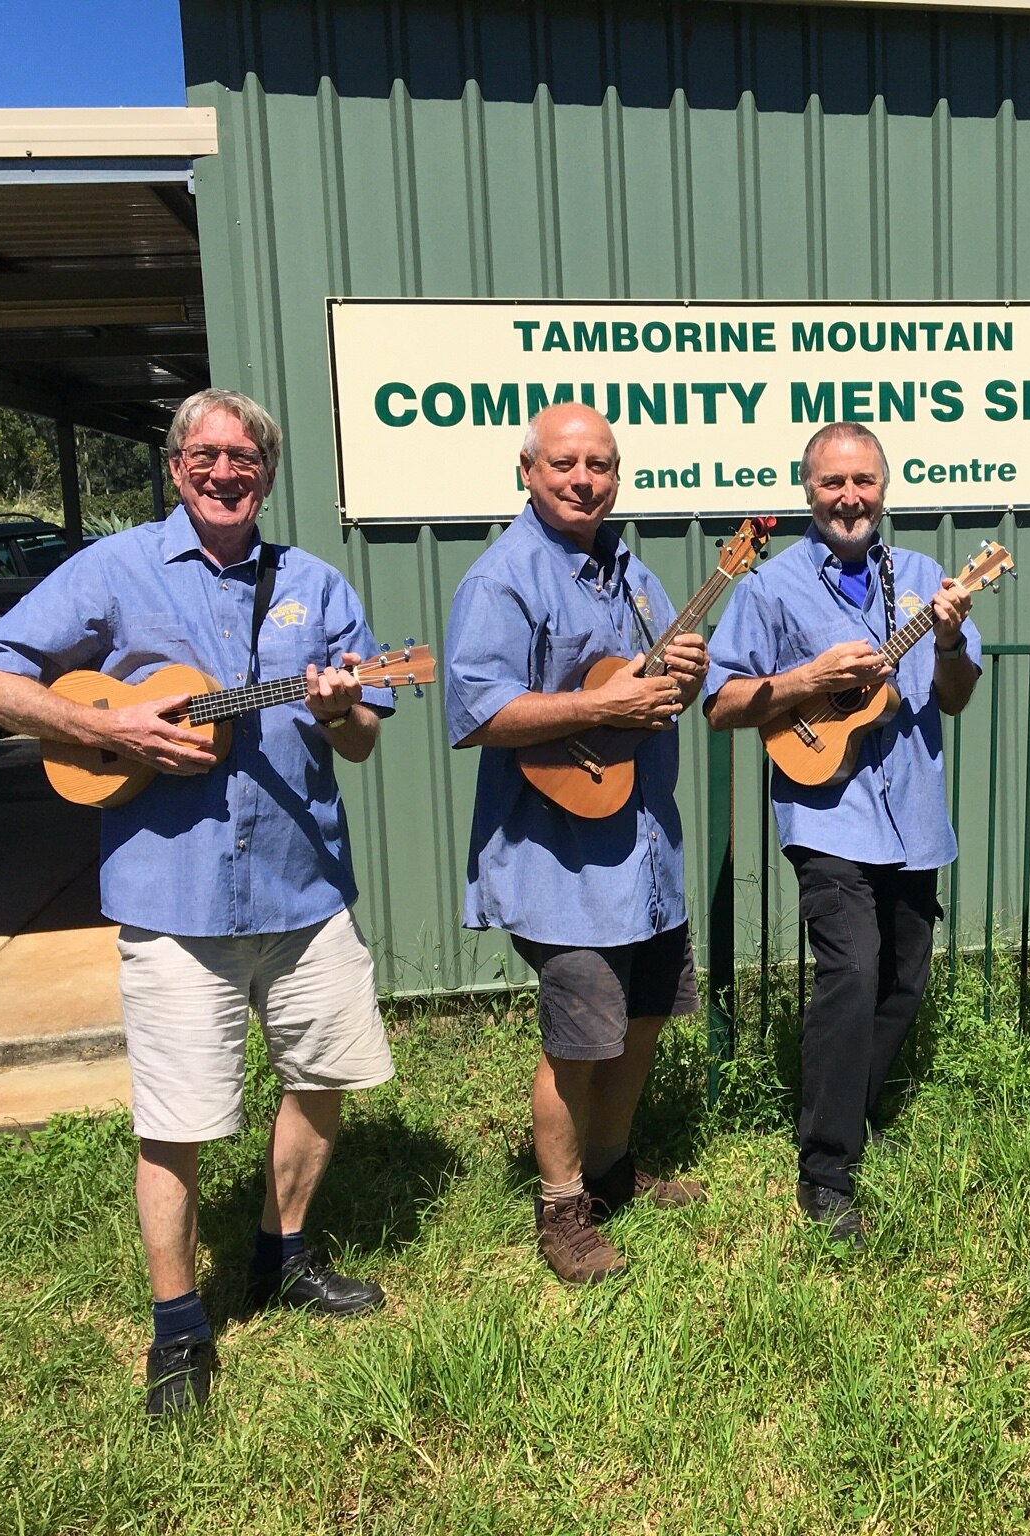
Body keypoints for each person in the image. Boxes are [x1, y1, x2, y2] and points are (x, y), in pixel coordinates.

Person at [0, 388, 400, 1418]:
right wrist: (110, 726)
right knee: (176, 1118)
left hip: (304, 885)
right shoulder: (115, 571)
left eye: (244, 457)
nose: (224, 472)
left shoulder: (316, 586)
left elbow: (366, 731)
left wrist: (341, 708)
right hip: (172, 895)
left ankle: (280, 1254)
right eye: (205, 455)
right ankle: (178, 1329)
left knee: (321, 1075)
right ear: (175, 467)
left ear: (268, 472)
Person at [444, 403, 708, 1287]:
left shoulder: (632, 575)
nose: (582, 479)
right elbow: (480, 711)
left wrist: (687, 672)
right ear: (528, 470)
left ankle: (611, 1167)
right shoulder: (503, 579)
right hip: (557, 861)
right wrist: (602, 707)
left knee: (641, 1022)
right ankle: (561, 1209)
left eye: (599, 463)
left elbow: (664, 677)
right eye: (564, 463)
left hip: (644, 853)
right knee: (578, 1038)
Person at [703, 422, 980, 1247]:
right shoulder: (771, 585)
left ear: (884, 489)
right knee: (851, 971)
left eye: (863, 482)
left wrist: (953, 637)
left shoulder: (924, 578)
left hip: (914, 815)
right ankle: (825, 1170)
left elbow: (956, 696)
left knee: (903, 980)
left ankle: (850, 1108)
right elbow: (721, 704)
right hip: (826, 812)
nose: (849, 498)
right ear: (809, 492)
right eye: (832, 484)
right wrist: (806, 679)